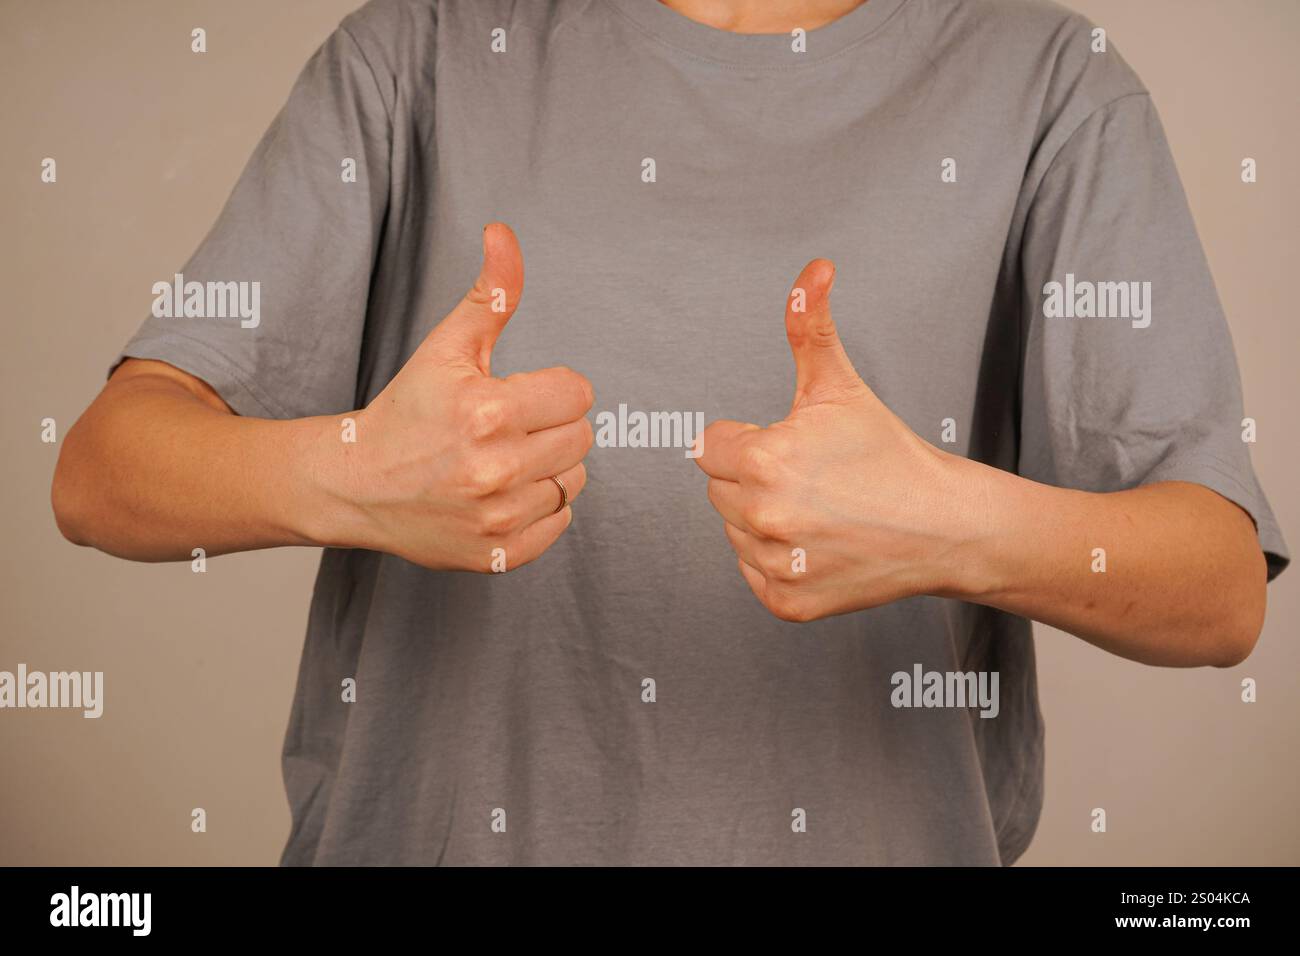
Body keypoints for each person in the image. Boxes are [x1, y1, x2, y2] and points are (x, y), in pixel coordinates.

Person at [51, 0, 1288, 865]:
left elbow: (1218, 587)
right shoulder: (416, 48)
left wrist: (959, 524)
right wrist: (348, 477)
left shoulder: (1055, 85)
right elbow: (103, 473)